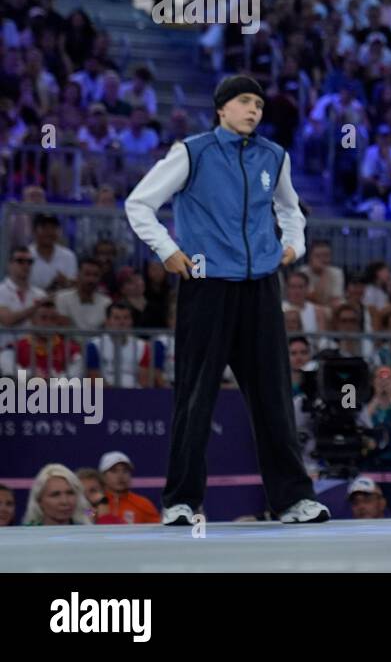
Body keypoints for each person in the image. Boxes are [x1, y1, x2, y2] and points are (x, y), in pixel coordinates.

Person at [124, 74, 328, 525]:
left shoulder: (274, 156)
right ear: (222, 109)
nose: (253, 109)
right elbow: (138, 203)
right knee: (195, 398)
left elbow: (291, 208)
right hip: (207, 286)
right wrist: (167, 250)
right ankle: (181, 502)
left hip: (260, 289)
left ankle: (293, 500)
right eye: (243, 101)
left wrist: (292, 245)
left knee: (274, 397)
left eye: (258, 102)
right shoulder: (192, 152)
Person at [98, 451, 161, 524]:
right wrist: (93, 512)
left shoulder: (144, 504)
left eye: (125, 471)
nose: (120, 476)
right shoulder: (97, 501)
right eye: (114, 471)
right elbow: (85, 515)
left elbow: (159, 529)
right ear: (103, 476)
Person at [22, 464, 93, 526]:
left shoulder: (87, 532)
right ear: (39, 500)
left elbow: (90, 512)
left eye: (70, 493)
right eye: (55, 495)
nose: (64, 501)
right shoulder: (23, 536)